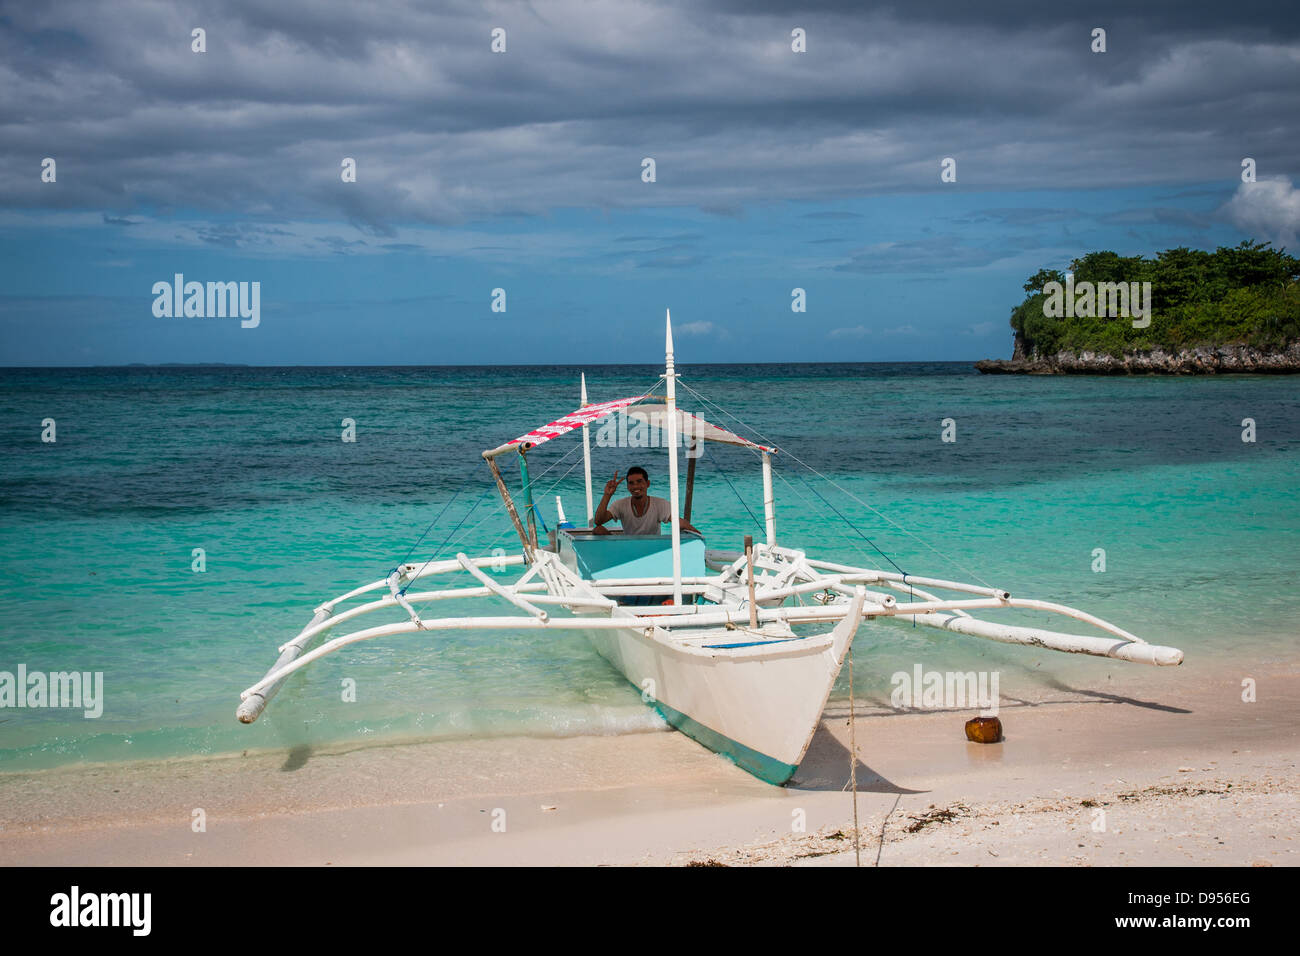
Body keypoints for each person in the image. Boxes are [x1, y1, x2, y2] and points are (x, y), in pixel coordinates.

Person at [592, 466, 699, 535]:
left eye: (639, 482)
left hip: (653, 550)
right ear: (628, 487)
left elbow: (677, 521)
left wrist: (699, 535)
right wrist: (607, 495)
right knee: (598, 530)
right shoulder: (621, 504)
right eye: (631, 483)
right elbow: (598, 521)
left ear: (647, 484)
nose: (635, 486)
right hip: (627, 547)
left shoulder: (660, 504)